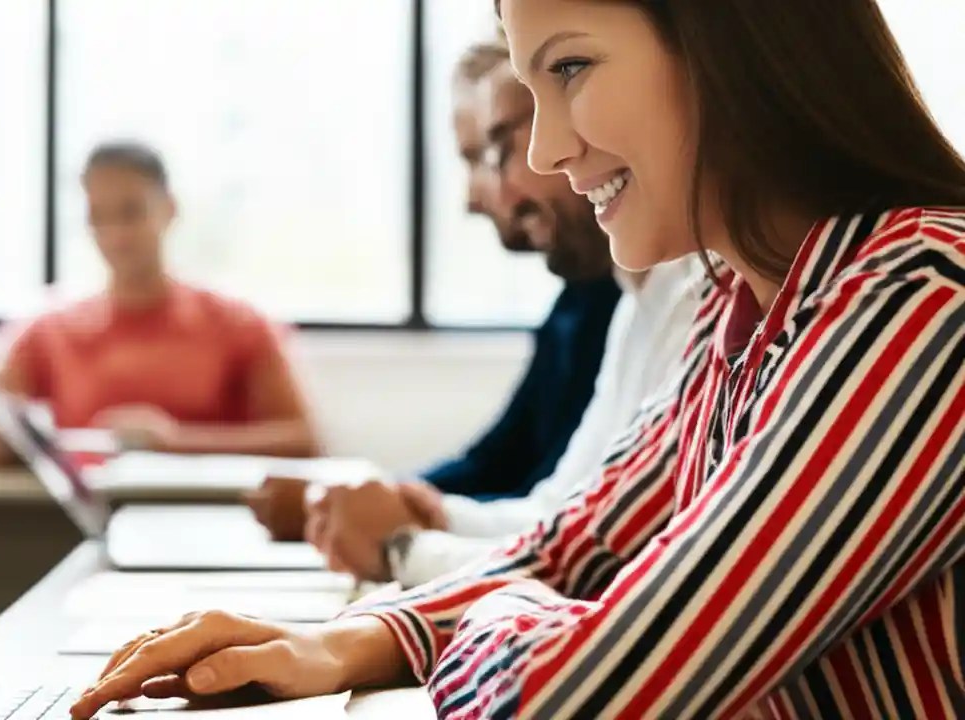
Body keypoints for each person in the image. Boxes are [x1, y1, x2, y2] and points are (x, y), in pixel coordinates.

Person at [69, 0, 965, 716]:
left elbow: (584, 691)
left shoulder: (923, 299)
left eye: (569, 68)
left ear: (728, 43)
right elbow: (574, 549)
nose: (545, 150)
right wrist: (334, 644)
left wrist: (526, 615)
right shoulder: (744, 310)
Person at [310, 57, 702, 585]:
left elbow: (598, 567)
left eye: (495, 152)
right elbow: (561, 509)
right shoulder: (639, 303)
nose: (483, 196)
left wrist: (402, 547)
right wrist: (434, 517)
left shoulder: (695, 294)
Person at [247, 43, 622, 541]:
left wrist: (392, 519)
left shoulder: (620, 303)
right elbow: (507, 465)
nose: (475, 197)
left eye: (488, 154)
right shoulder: (583, 302)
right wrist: (368, 504)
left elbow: (560, 508)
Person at [0, 143, 320, 465]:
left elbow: (304, 440)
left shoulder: (240, 324)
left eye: (131, 212)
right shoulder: (45, 329)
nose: (116, 235)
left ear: (170, 209)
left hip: (204, 513)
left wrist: (177, 443)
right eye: (98, 217)